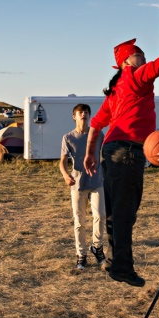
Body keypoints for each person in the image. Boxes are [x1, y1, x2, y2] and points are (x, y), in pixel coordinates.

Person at [84, 38, 159, 287]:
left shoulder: (117, 91)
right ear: (127, 61)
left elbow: (95, 125)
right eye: (138, 53)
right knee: (125, 212)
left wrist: (89, 154)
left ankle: (114, 260)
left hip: (113, 152)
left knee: (117, 212)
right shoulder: (136, 77)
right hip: (127, 153)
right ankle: (121, 266)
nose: (143, 56)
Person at [59, 103, 107, 272]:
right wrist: (66, 175)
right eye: (80, 112)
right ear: (74, 116)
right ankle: (81, 255)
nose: (83, 114)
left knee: (100, 216)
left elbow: (106, 152)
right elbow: (62, 161)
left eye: (86, 112)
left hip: (97, 181)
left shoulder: (98, 134)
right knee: (79, 222)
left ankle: (98, 248)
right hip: (78, 184)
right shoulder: (68, 137)